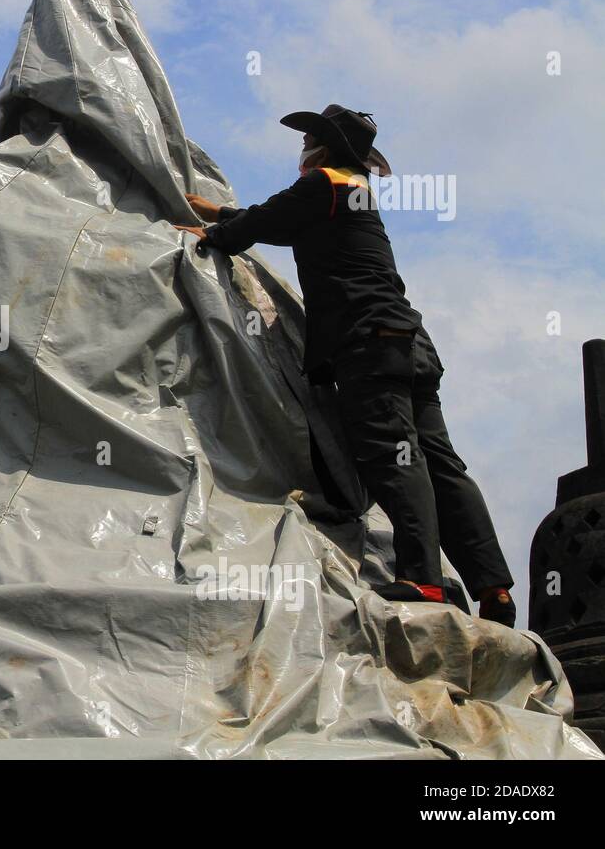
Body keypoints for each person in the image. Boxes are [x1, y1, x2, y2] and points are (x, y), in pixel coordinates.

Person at [175, 104, 516, 626]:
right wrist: (223, 214)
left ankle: (423, 578)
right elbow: (282, 224)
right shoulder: (353, 193)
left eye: (308, 138)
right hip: (409, 342)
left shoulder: (323, 185)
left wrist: (213, 233)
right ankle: (493, 584)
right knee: (442, 463)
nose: (302, 147)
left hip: (367, 344)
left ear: (324, 148)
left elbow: (265, 221)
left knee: (395, 457)